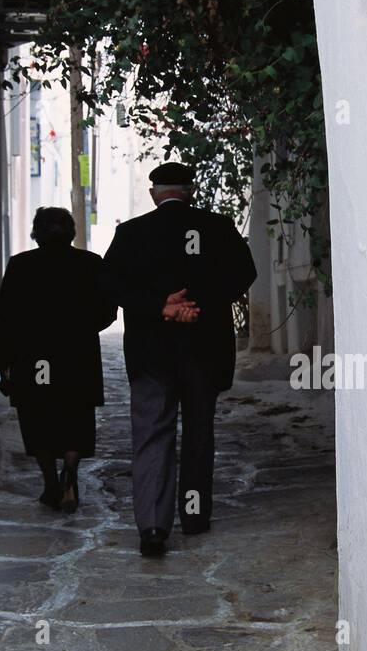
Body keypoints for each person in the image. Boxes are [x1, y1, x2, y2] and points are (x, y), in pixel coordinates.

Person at [104, 163, 257, 556]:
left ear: (155, 193)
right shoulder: (218, 228)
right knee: (199, 433)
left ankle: (153, 526)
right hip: (203, 352)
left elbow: (109, 284)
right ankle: (193, 515)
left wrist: (161, 307)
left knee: (152, 433)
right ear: (190, 191)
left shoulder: (132, 233)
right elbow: (245, 272)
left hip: (151, 353)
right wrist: (198, 305)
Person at [0, 207, 116, 513]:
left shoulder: (21, 265)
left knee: (38, 417)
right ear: (71, 231)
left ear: (37, 232)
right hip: (78, 353)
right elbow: (108, 310)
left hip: (33, 356)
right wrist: (83, 329)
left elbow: (5, 316)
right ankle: (70, 475)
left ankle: (49, 483)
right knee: (76, 416)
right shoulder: (90, 263)